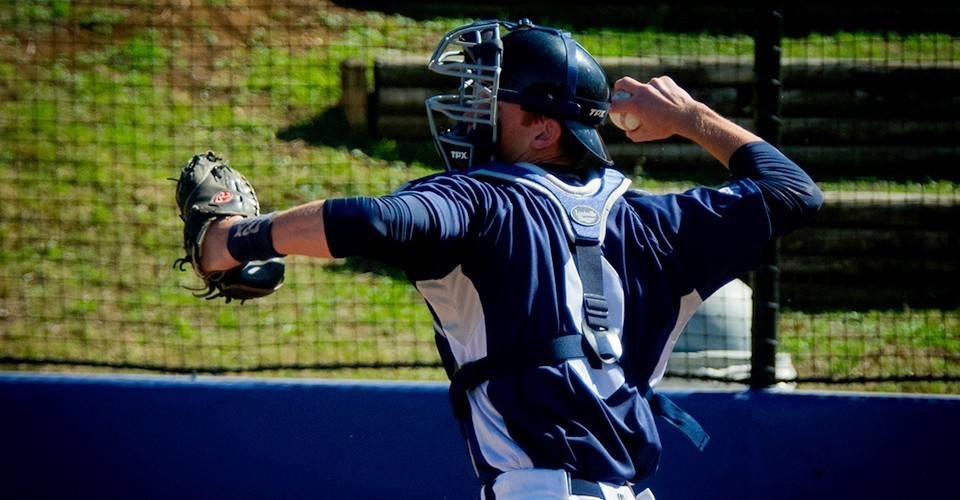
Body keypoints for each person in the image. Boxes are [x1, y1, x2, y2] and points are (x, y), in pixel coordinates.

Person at [195, 19, 822, 500]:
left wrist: (232, 240)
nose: (471, 107)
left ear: (545, 129)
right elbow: (792, 192)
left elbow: (373, 220)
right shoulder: (655, 222)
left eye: (490, 94)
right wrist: (688, 117)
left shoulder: (484, 198)